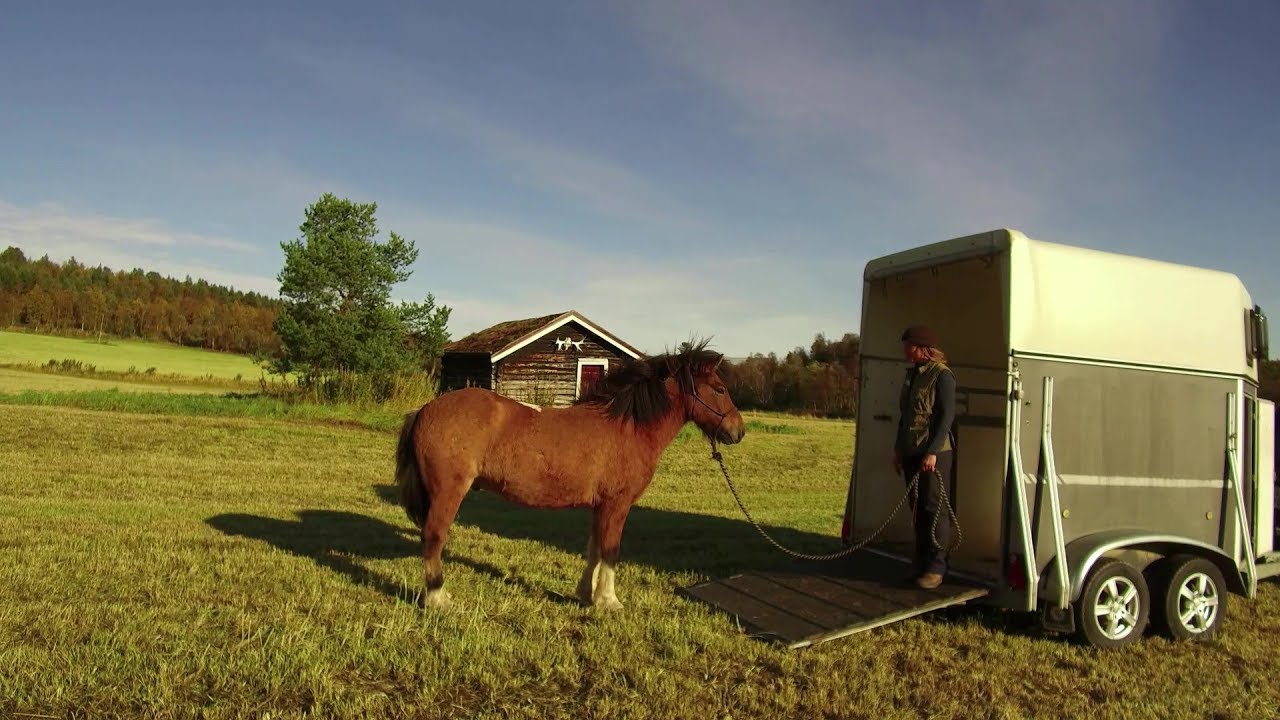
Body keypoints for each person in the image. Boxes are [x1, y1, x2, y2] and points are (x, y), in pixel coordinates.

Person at [893, 324, 957, 589]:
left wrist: (932, 452)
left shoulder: (942, 376)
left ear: (922, 348)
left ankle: (936, 568)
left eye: (909, 345)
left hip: (934, 455)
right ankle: (919, 564)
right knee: (917, 509)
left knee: (934, 510)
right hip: (911, 451)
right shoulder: (913, 376)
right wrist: (898, 448)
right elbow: (906, 416)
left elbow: (945, 417)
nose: (905, 350)